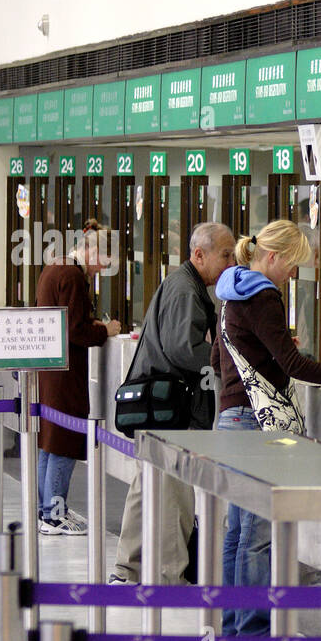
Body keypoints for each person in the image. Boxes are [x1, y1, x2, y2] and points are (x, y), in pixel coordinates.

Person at [212, 221, 321, 634]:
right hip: (257, 421)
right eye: (292, 264)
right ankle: (252, 627)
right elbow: (293, 365)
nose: (293, 274)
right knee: (257, 531)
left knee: (237, 528)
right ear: (273, 257)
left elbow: (218, 359)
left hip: (230, 416)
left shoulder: (231, 293)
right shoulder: (264, 297)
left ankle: (232, 622)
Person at [109, 222, 233, 585]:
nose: (229, 263)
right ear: (199, 255)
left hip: (156, 408)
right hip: (170, 409)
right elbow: (184, 349)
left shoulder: (185, 285)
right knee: (172, 496)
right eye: (224, 255)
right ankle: (169, 577)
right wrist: (225, 362)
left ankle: (126, 570)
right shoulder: (185, 290)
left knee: (145, 489)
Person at [35, 225, 122, 534]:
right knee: (64, 442)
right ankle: (54, 514)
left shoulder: (55, 265)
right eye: (104, 260)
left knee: (49, 440)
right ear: (91, 250)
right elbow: (75, 331)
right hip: (66, 373)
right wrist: (105, 330)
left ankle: (46, 509)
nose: (102, 268)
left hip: (51, 369)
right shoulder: (73, 276)